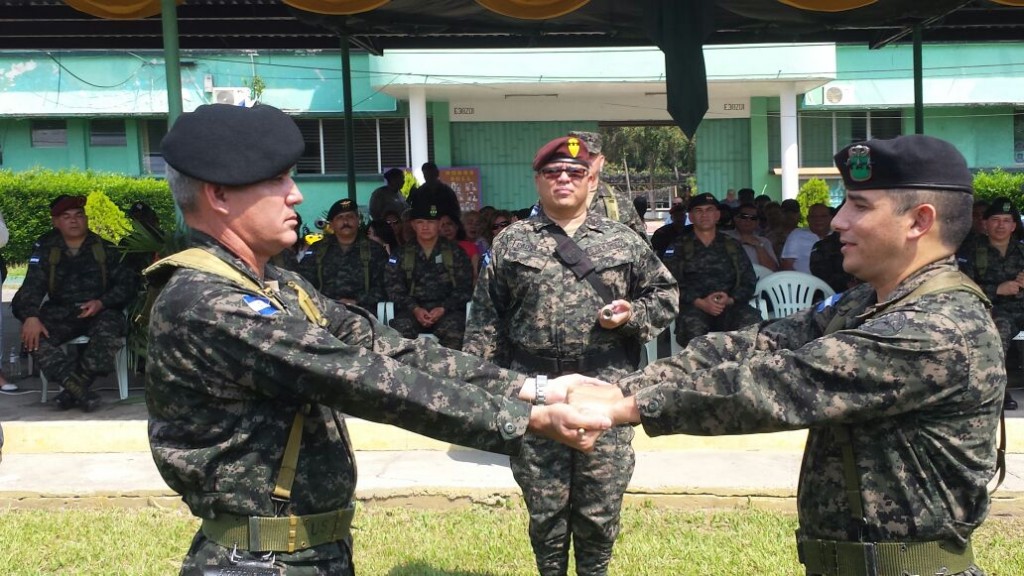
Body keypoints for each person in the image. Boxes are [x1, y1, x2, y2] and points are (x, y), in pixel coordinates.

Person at [147, 103, 611, 576]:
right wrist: (529, 419)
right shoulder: (208, 302)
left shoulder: (278, 285)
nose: (297, 196)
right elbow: (366, 381)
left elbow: (386, 348)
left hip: (306, 551)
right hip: (256, 562)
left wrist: (535, 388)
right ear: (219, 195)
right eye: (277, 181)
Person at [571, 134, 1004, 576]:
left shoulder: (935, 329)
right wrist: (620, 387)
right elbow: (759, 343)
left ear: (918, 221)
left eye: (859, 206)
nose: (838, 221)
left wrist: (626, 407)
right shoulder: (867, 302)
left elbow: (776, 384)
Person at [465, 135, 678, 576]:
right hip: (537, 393)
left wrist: (631, 315)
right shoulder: (511, 243)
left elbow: (666, 295)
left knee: (600, 510)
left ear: (590, 180)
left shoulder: (623, 240)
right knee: (545, 512)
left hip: (605, 390)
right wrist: (486, 395)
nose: (564, 178)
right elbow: (487, 321)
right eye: (553, 172)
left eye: (575, 172)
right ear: (539, 180)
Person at [12, 195, 138, 411]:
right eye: (66, 216)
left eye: (79, 215)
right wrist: (30, 316)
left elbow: (128, 284)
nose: (74, 220)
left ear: (86, 219)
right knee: (34, 338)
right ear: (56, 222)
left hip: (99, 311)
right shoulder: (46, 250)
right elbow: (30, 289)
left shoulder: (104, 248)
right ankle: (78, 390)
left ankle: (71, 391)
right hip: (61, 312)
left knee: (110, 331)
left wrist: (101, 302)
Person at [662, 192, 761, 348]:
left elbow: (748, 280)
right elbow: (668, 283)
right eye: (699, 211)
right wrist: (699, 302)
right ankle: (702, 371)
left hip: (730, 306)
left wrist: (730, 299)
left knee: (751, 323)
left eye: (709, 210)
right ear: (691, 216)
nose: (704, 215)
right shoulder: (679, 246)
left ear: (717, 215)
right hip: (694, 308)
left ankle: (742, 369)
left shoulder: (731, 245)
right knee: (693, 330)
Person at [384, 195, 474, 349]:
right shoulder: (402, 254)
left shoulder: (455, 252)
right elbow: (393, 287)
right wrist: (415, 308)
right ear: (413, 225)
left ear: (439, 224)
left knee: (456, 334)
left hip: (448, 312)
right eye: (420, 222)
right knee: (396, 335)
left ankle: (448, 373)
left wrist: (443, 308)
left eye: (431, 222)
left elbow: (465, 287)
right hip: (411, 312)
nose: (425, 227)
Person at [958, 196, 1022, 411]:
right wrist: (997, 289)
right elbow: (962, 288)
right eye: (995, 219)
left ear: (1014, 225)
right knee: (999, 328)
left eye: (1006, 220)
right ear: (985, 223)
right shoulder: (970, 252)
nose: (1001, 225)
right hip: (993, 311)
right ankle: (998, 390)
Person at [296, 198, 388, 312]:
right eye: (340, 218)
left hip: (363, 312)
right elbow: (304, 282)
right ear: (332, 224)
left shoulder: (375, 250)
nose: (345, 222)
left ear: (358, 220)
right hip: (324, 311)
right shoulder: (317, 249)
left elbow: (385, 286)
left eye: (350, 216)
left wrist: (357, 301)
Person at [568, 131, 650, 245]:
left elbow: (644, 254)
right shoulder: (551, 203)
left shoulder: (621, 204)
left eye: (590, 155)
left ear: (601, 161)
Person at [724, 202, 778, 271]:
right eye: (744, 216)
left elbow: (773, 270)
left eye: (753, 218)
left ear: (757, 222)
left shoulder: (764, 242)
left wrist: (758, 246)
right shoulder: (723, 237)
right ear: (736, 218)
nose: (748, 220)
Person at [781, 202, 832, 273]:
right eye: (814, 216)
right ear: (808, 219)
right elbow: (787, 265)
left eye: (823, 216)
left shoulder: (838, 236)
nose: (818, 220)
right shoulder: (797, 235)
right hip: (802, 282)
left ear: (830, 218)